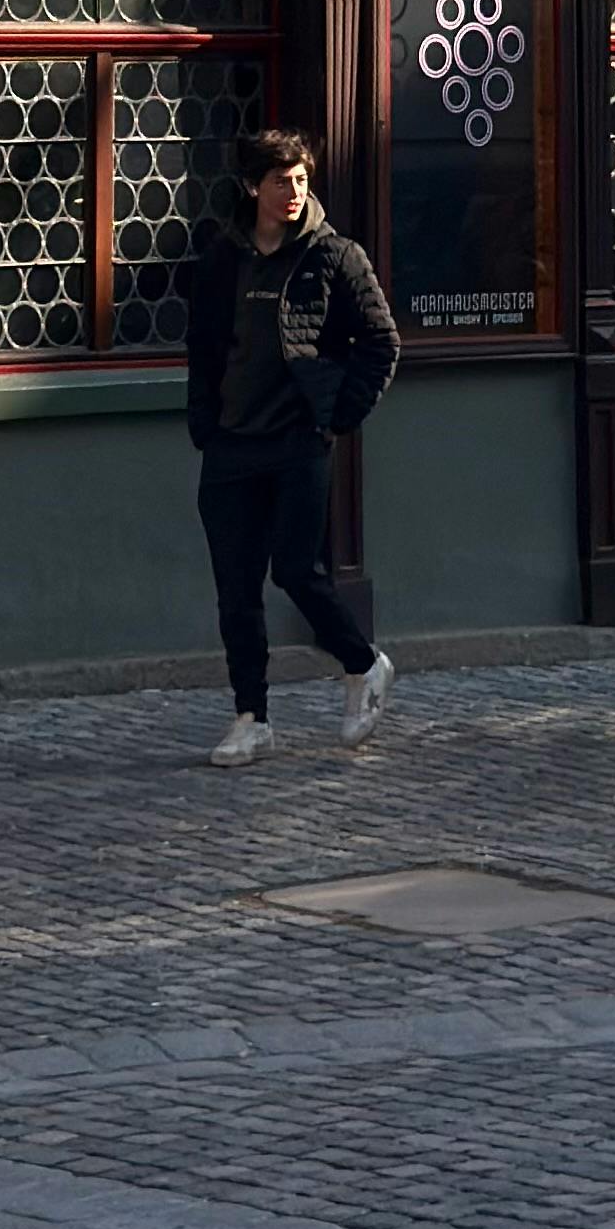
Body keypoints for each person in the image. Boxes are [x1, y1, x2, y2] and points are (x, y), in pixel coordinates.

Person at [184, 124, 400, 769]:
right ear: (253, 186)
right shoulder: (223, 257)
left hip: (299, 442)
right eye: (282, 182)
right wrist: (205, 424)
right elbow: (202, 348)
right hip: (230, 446)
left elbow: (382, 343)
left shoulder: (335, 256)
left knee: (297, 571)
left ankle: (363, 662)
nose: (294, 193)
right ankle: (251, 717)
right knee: (236, 588)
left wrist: (336, 416)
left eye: (302, 181)